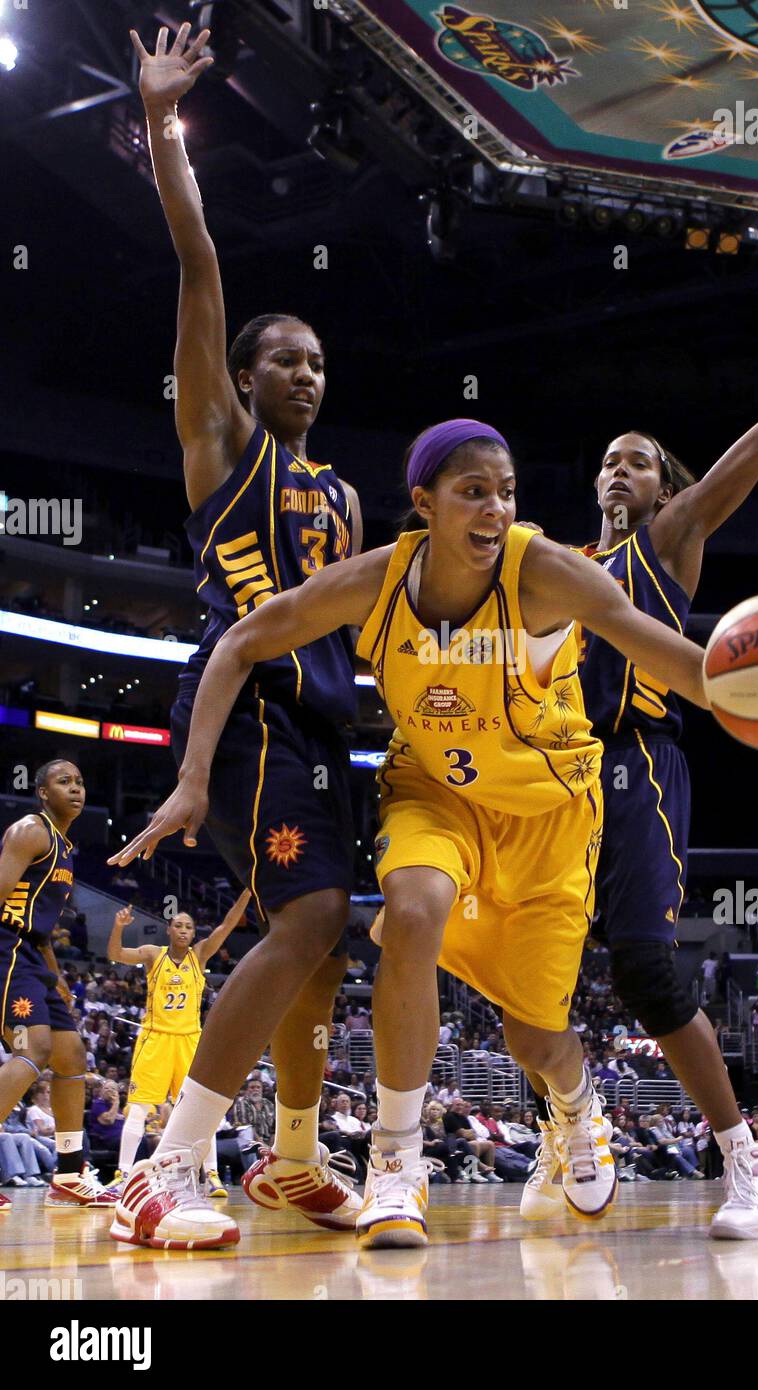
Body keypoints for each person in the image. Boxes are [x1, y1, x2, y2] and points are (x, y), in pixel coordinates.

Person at [112, 415, 711, 1245]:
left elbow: (673, 658)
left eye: (506, 493)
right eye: (473, 493)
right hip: (434, 792)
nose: (495, 510)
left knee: (534, 1030)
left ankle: (575, 1102)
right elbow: (243, 641)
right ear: (424, 503)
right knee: (413, 909)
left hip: (549, 813)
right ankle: (397, 1165)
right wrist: (191, 776)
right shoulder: (376, 580)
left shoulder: (545, 572)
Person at [522, 259, 758, 1238]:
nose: (617, 471)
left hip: (635, 761)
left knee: (644, 968)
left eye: (636, 460)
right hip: (548, 777)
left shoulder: (671, 536)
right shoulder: (559, 567)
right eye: (608, 460)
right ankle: (569, 1126)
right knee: (525, 978)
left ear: (665, 485)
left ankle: (747, 1162)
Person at [106, 22, 364, 1249]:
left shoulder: (348, 498)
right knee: (305, 922)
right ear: (246, 378)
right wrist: (164, 124)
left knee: (326, 940)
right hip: (243, 700)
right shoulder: (220, 444)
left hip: (325, 722)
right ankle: (165, 1164)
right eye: (288, 362)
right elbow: (201, 267)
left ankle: (294, 1157)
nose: (307, 376)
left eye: (319, 364)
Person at [0, 761, 116, 1209]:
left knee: (72, 1055)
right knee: (34, 1049)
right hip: (6, 948)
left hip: (31, 955)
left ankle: (69, 1173)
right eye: (63, 781)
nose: (75, 788)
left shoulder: (64, 846)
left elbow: (42, 928)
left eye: (80, 781)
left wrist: (58, 977)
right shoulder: (31, 830)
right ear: (42, 792)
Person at [107, 892, 250, 1192]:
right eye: (178, 925)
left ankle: (210, 1175)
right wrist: (119, 926)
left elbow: (227, 924)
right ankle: (122, 1175)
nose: (184, 930)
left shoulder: (199, 955)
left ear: (193, 933)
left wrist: (247, 893)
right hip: (156, 1038)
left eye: (188, 927)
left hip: (189, 1041)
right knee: (139, 1108)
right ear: (169, 930)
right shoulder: (152, 954)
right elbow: (116, 954)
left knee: (201, 1111)